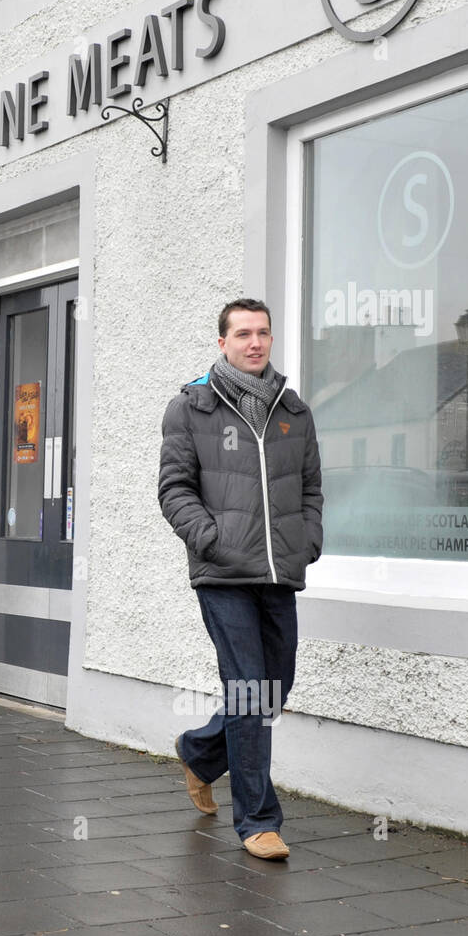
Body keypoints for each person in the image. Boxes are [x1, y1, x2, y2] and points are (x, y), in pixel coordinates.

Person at [157, 298, 323, 861]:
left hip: (278, 573)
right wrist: (209, 538)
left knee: (272, 688)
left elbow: (310, 490)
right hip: (223, 574)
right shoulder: (192, 408)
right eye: (244, 334)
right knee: (250, 689)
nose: (255, 343)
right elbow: (174, 488)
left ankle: (200, 752)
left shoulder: (294, 413)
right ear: (223, 342)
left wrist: (308, 540)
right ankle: (257, 820)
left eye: (264, 334)